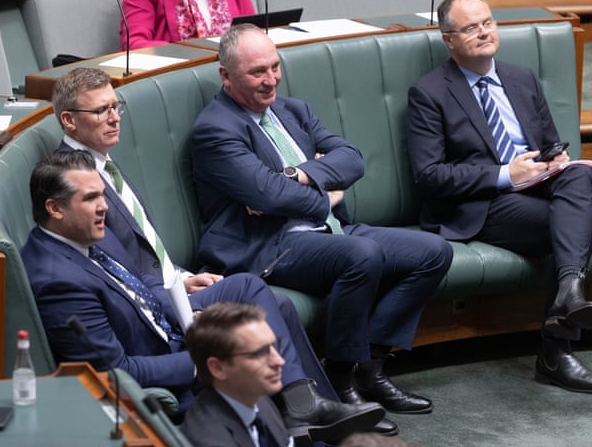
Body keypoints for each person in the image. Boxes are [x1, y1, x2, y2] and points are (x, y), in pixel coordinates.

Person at [47, 69, 384, 443]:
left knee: (280, 307)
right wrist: (174, 288)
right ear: (69, 120)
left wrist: (181, 275)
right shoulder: (75, 183)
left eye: (116, 107)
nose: (113, 118)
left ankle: (316, 418)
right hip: (155, 301)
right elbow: (118, 269)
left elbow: (142, 248)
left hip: (170, 283)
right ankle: (307, 410)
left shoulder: (101, 163)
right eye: (101, 111)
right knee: (254, 290)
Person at [191, 23, 454, 434]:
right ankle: (341, 380)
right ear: (226, 76)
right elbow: (268, 196)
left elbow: (351, 159)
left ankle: (371, 364)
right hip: (269, 246)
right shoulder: (215, 130)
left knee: (433, 252)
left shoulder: (293, 110)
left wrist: (295, 174)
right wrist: (324, 193)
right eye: (257, 71)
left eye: (275, 67)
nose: (271, 79)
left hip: (329, 230)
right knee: (361, 255)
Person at [406, 0, 592, 394]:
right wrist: (504, 174)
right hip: (485, 204)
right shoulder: (429, 93)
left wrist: (555, 161)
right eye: (471, 28)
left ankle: (567, 294)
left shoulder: (521, 78)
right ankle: (557, 349)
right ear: (449, 39)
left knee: (577, 177)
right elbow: (429, 176)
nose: (484, 32)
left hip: (540, 188)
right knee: (571, 222)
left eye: (487, 22)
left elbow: (553, 142)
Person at [181, 302, 295, 446]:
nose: (279, 361)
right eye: (259, 354)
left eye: (273, 346)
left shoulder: (255, 397)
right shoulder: (207, 440)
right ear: (218, 368)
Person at [121, 0, 256, 50]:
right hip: (178, 77)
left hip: (234, 75)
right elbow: (133, 44)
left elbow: (254, 31)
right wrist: (192, 51)